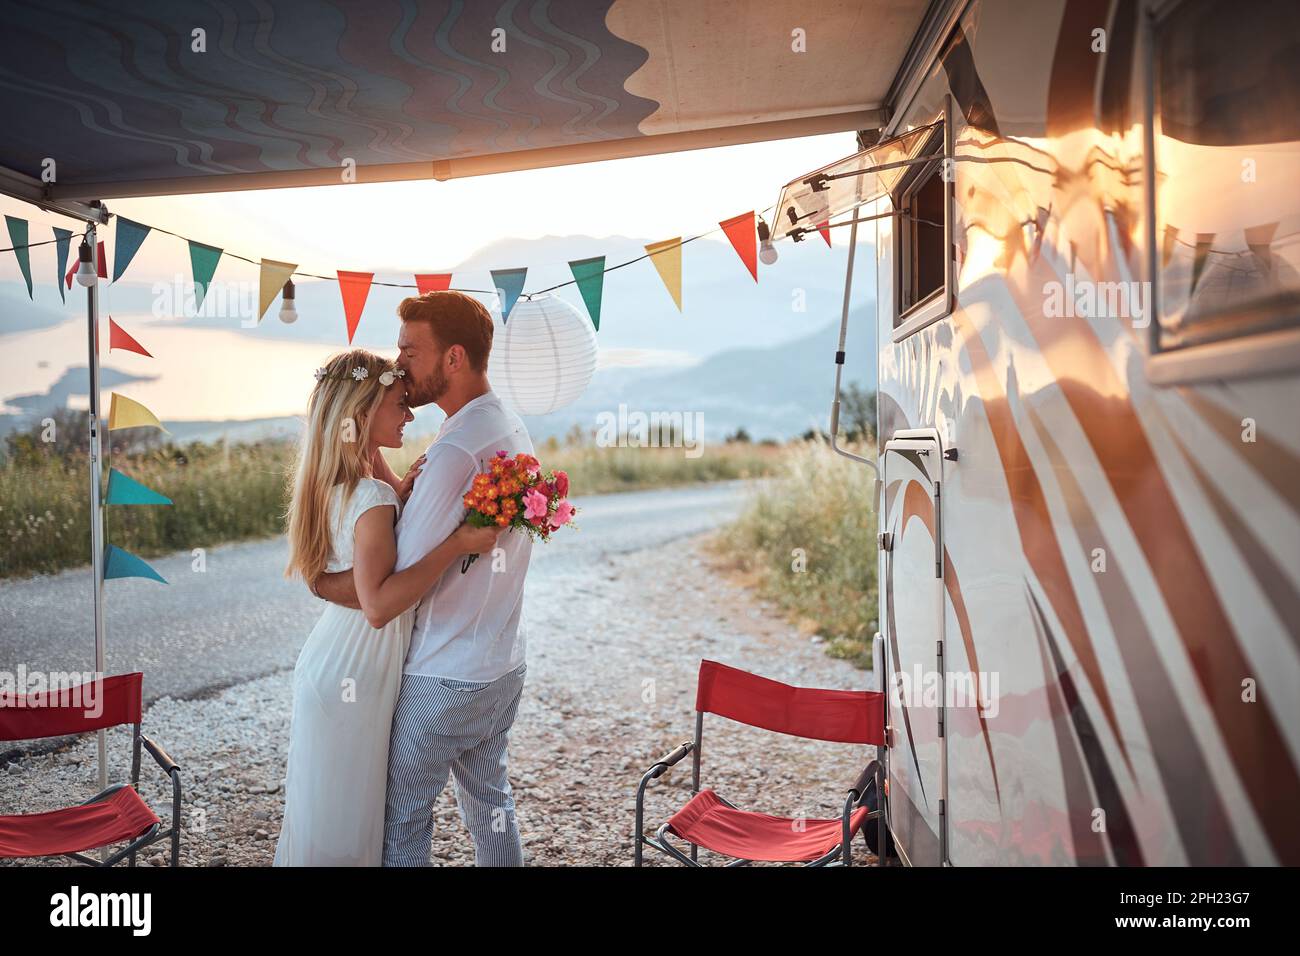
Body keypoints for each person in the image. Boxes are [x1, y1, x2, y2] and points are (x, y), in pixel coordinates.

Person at [313, 291, 537, 867]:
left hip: (443, 676)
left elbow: (383, 593)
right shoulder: (507, 424)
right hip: (502, 664)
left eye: (411, 351)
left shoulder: (456, 451)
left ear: (454, 358)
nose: (400, 363)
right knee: (490, 805)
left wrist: (319, 584)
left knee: (404, 822)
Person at [277, 347, 500, 866]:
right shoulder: (372, 498)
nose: (410, 413)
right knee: (347, 825)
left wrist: (402, 487)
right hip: (358, 665)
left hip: (331, 663)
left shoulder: (333, 480)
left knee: (326, 818)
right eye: (400, 403)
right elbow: (378, 605)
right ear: (362, 415)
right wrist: (458, 545)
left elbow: (346, 565)